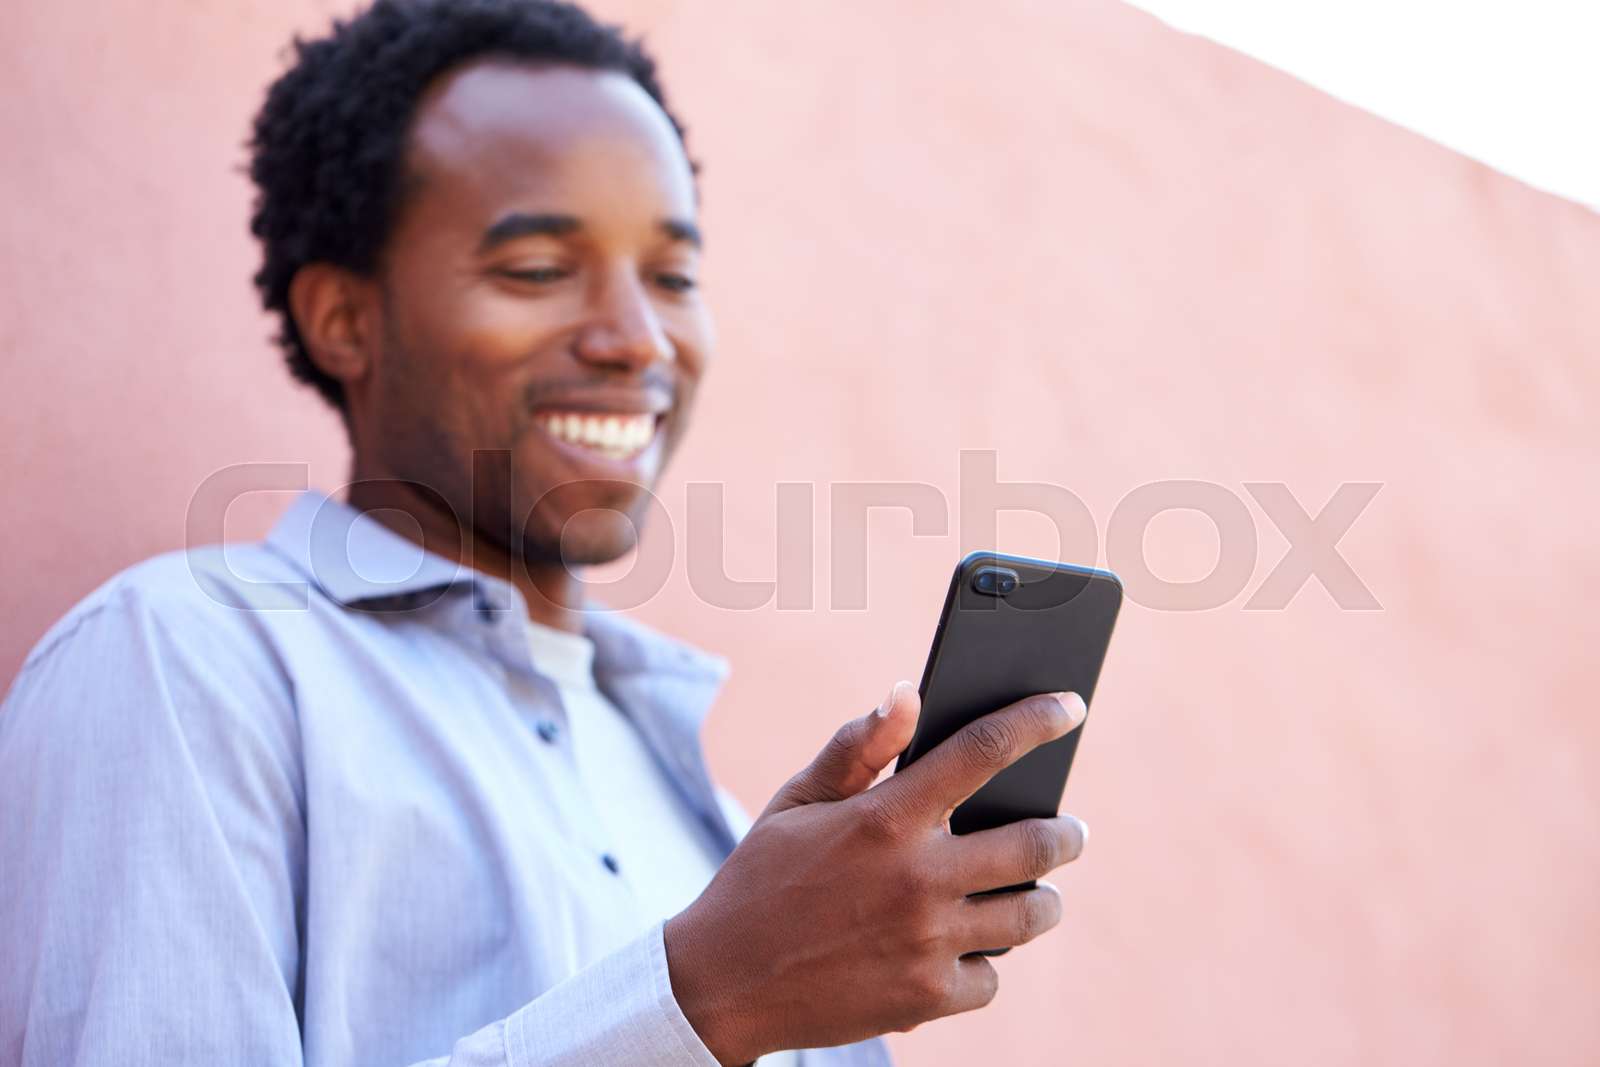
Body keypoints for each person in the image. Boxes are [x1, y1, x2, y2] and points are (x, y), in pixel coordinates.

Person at [0, 1, 1091, 1064]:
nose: (637, 338)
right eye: (536, 271)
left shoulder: (709, 820)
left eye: (673, 277)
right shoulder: (183, 662)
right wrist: (709, 994)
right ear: (344, 319)